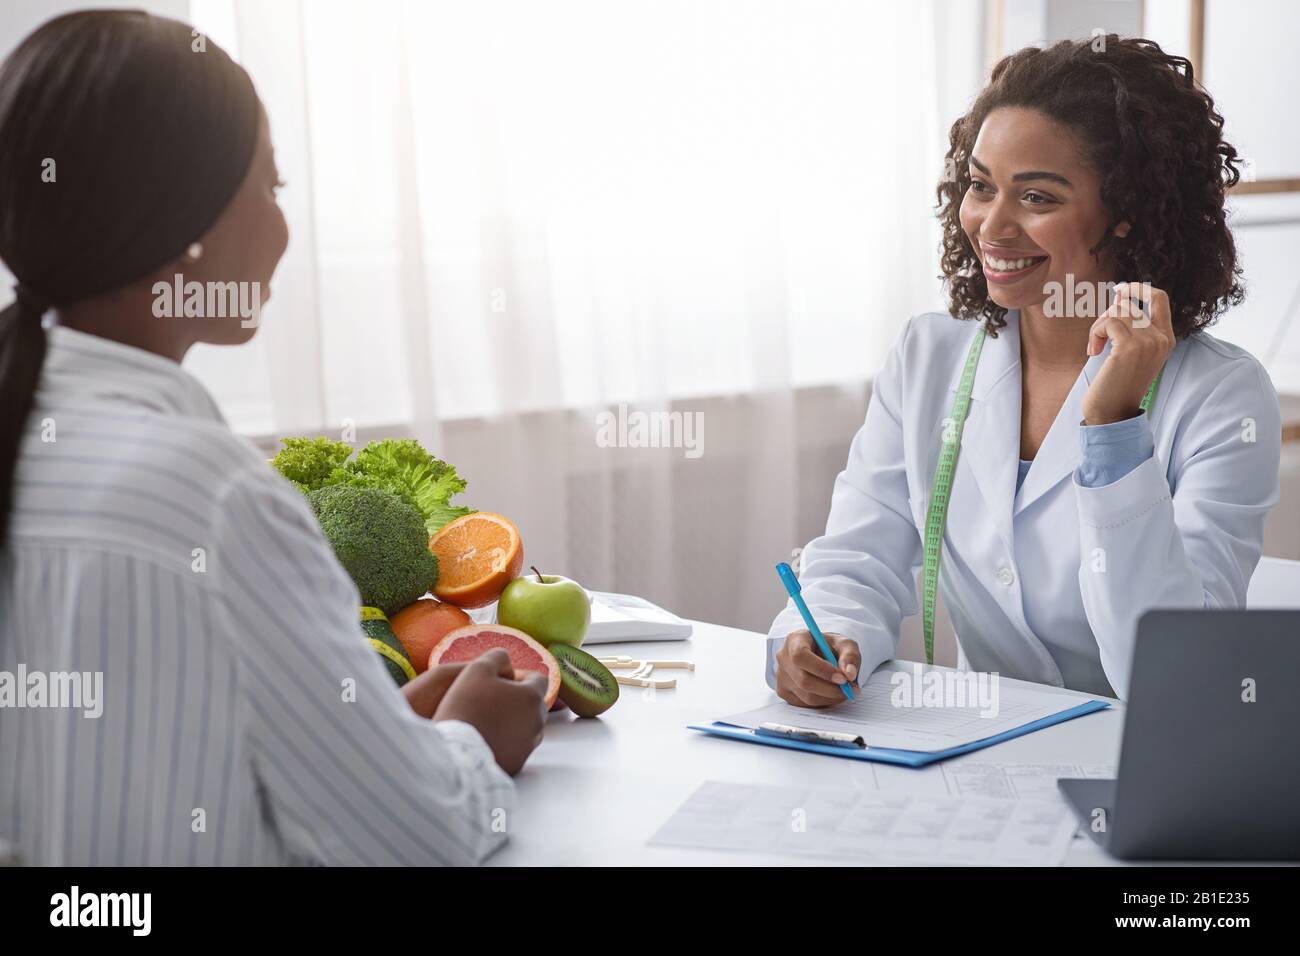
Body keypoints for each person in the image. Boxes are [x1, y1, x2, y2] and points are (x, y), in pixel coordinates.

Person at [0, 9, 546, 866]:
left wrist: (373, 734)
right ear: (183, 217)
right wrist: (473, 741)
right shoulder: (215, 498)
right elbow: (415, 841)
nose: (283, 228)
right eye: (272, 186)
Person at [768, 36, 1280, 705]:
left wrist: (1116, 427)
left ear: (1127, 214)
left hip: (1134, 770)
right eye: (981, 186)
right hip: (977, 758)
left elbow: (1173, 677)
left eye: (1037, 197)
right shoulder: (928, 357)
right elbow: (861, 554)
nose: (991, 225)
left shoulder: (1221, 395)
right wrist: (822, 635)